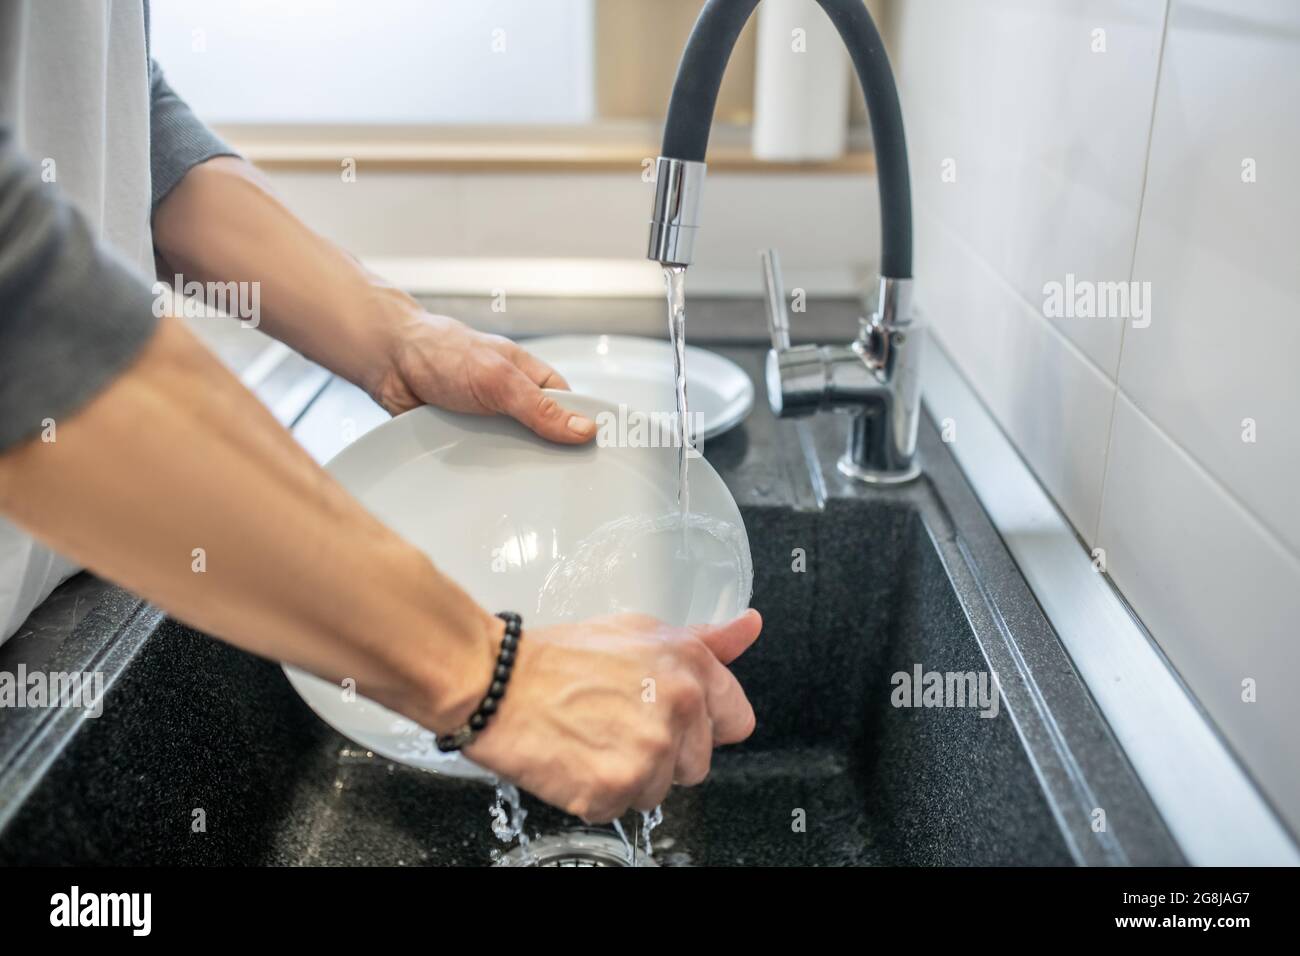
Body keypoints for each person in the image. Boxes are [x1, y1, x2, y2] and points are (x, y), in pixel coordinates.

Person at [0, 0, 760, 824]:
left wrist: (398, 337)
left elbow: (115, 113)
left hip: (49, 583)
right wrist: (494, 677)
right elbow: (25, 305)